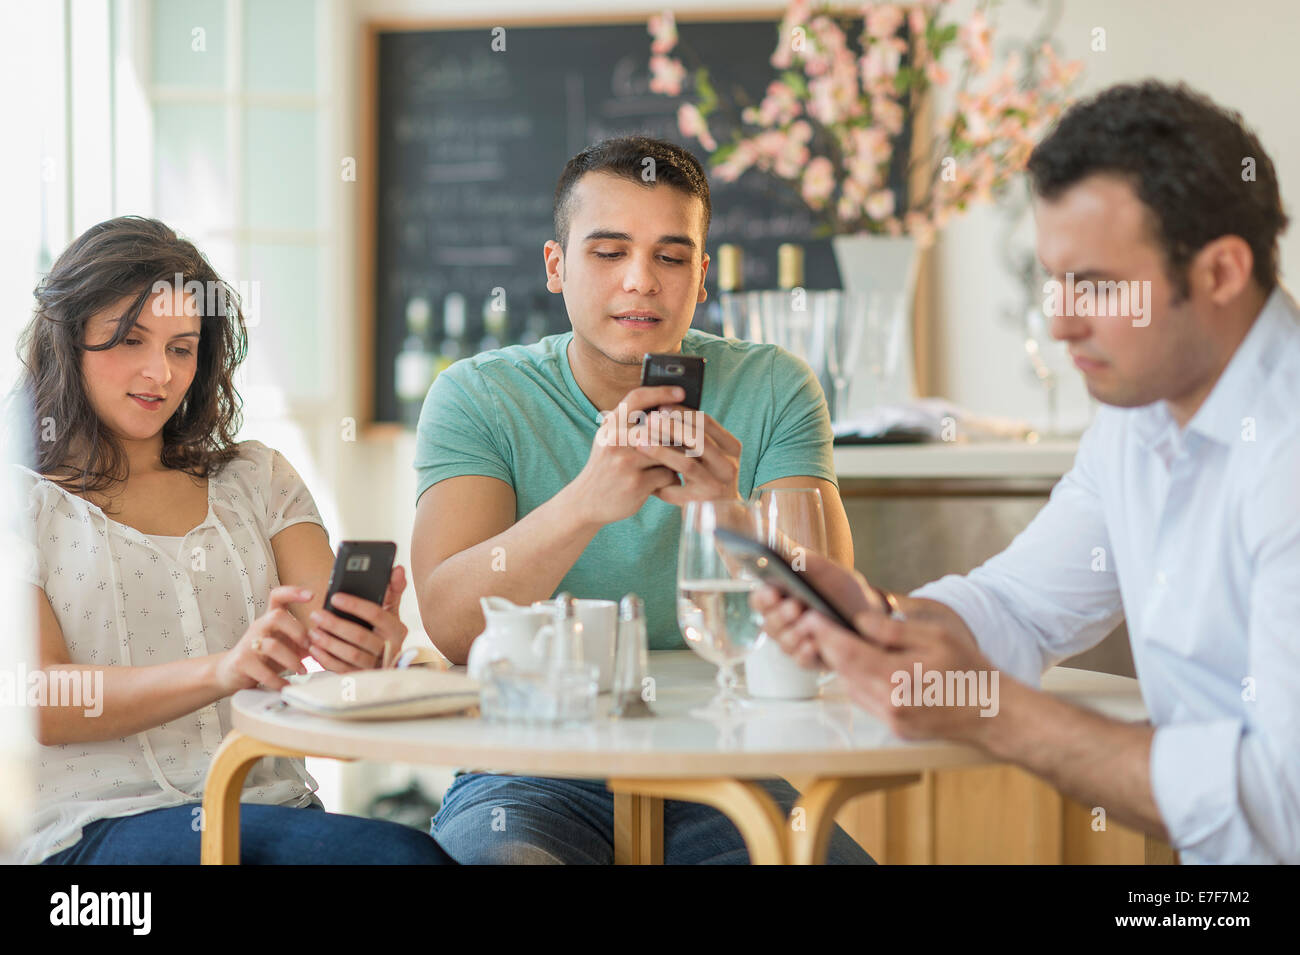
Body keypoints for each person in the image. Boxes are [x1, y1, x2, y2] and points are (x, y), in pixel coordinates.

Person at [752, 81, 1298, 865]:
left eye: (1098, 284)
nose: (1060, 320)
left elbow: (1280, 804)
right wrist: (873, 612)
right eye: (1054, 278)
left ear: (1219, 272)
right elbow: (1020, 608)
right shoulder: (1138, 419)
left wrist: (984, 709)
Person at [411, 136, 871, 864]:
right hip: (528, 768)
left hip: (725, 769)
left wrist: (730, 516)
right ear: (556, 267)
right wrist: (587, 501)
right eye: (608, 251)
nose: (640, 281)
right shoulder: (479, 395)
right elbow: (453, 625)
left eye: (670, 255)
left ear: (701, 274)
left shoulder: (775, 386)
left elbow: (828, 627)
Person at [12, 216, 454, 864]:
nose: (158, 371)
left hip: (273, 809)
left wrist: (363, 642)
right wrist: (221, 670)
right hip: (96, 831)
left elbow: (328, 645)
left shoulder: (257, 478)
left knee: (414, 856)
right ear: (69, 338)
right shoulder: (19, 500)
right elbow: (40, 698)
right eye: (130, 339)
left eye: (182, 347)